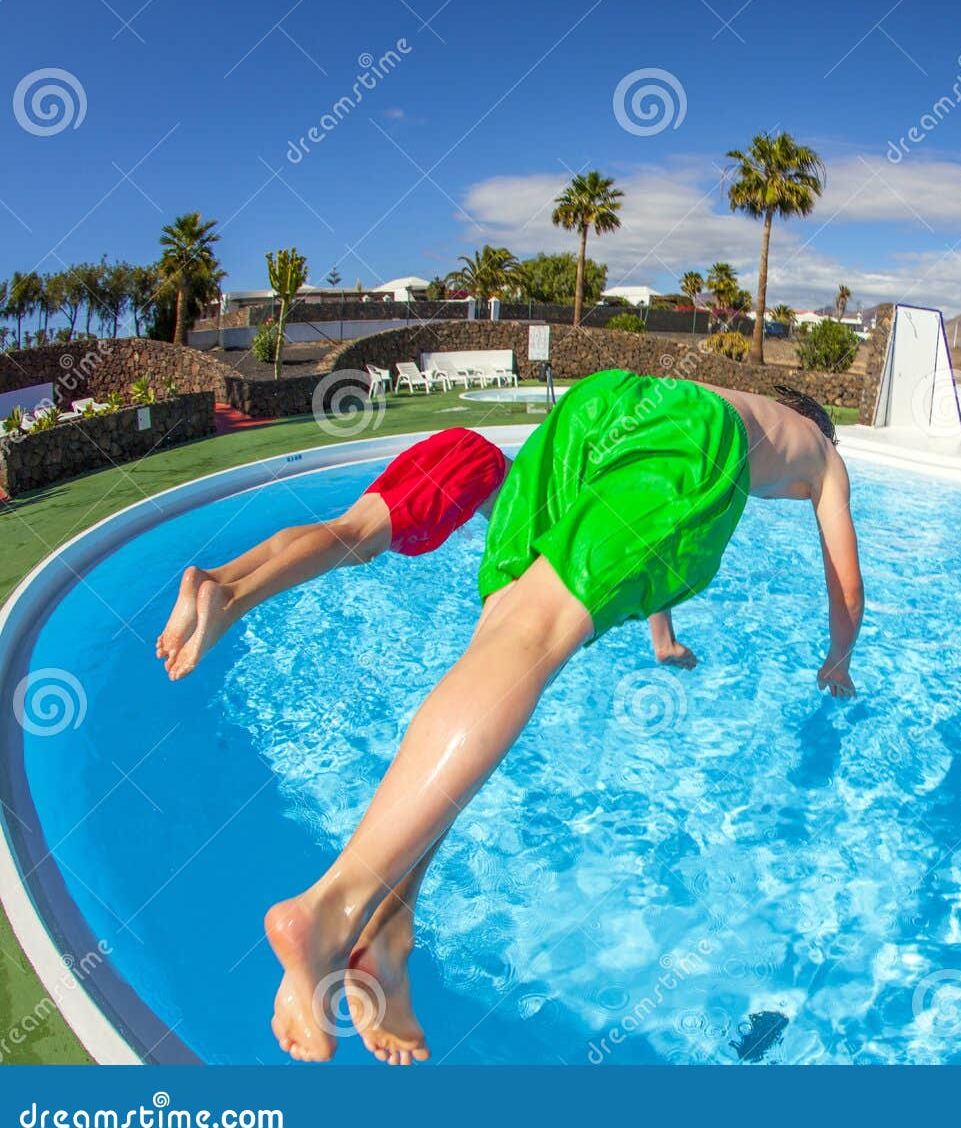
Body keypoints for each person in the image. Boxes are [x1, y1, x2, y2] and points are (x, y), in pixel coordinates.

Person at [260, 369, 865, 1064]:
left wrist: (662, 637)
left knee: (500, 651)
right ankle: (329, 909)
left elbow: (648, 482)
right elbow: (846, 585)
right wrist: (839, 659)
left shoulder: (732, 406)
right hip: (689, 433)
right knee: (534, 637)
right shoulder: (822, 454)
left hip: (597, 409)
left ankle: (390, 932)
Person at [156, 427, 509, 681]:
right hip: (477, 469)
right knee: (356, 540)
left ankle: (218, 576)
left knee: (343, 527)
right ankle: (233, 599)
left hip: (464, 449)